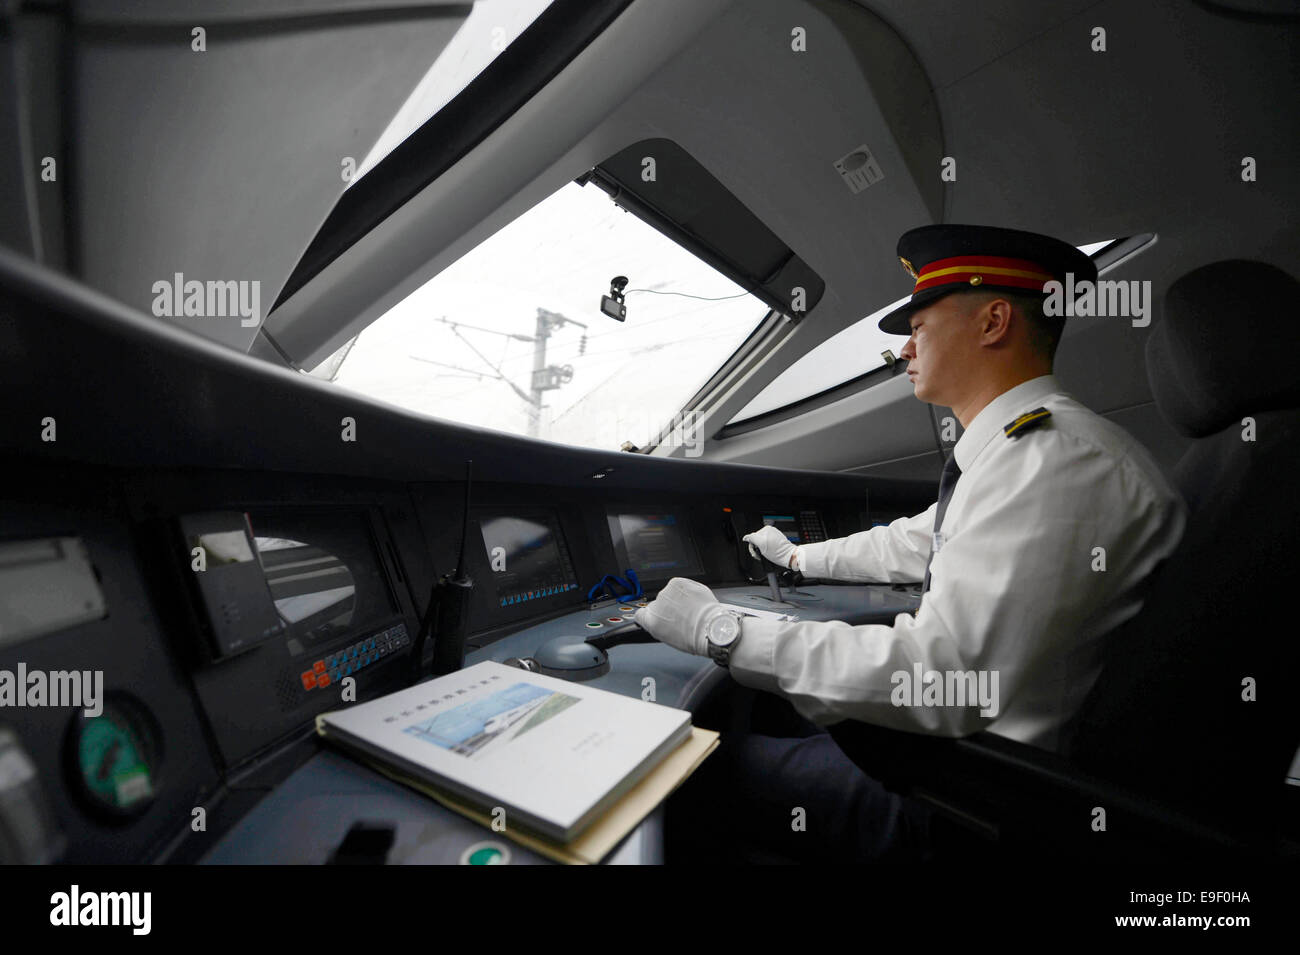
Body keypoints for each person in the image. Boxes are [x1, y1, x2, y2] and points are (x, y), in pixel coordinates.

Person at [636, 224, 1188, 862]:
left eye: (918, 327)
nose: (903, 351)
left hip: (978, 804)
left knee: (693, 764)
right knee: (770, 714)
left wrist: (719, 628)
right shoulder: (1031, 450)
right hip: (982, 763)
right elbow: (915, 541)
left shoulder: (1053, 462)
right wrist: (795, 558)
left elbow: (945, 676)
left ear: (993, 322)